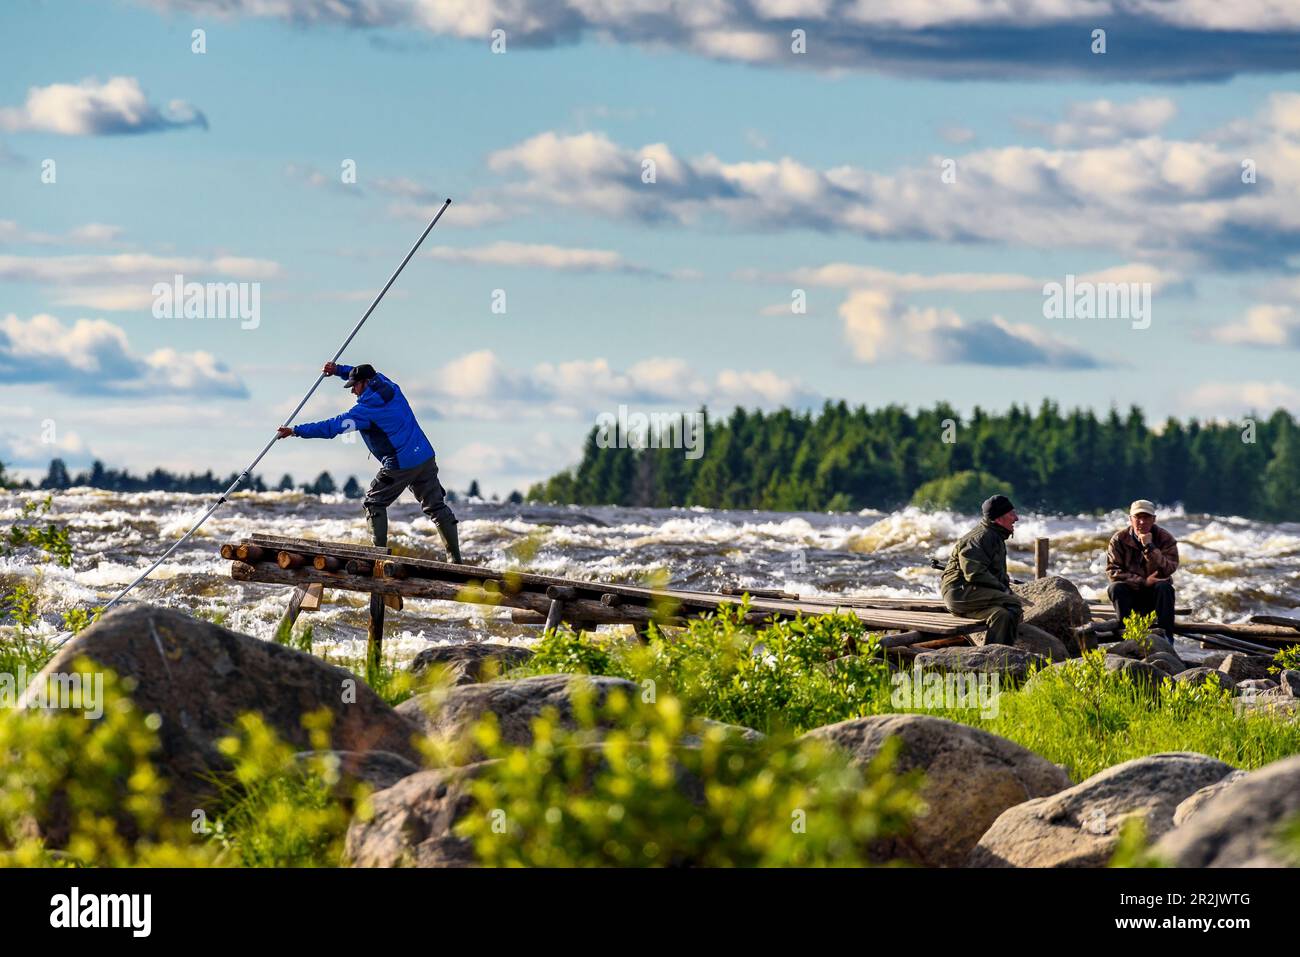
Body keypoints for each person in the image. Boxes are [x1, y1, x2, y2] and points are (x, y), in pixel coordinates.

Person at [277, 361, 462, 562]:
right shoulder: (390, 386)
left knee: (373, 503)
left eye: (354, 386)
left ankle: (378, 558)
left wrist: (296, 431)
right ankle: (455, 560)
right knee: (436, 507)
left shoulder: (364, 412)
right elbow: (359, 372)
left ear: (365, 382)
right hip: (425, 457)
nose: (353, 391)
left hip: (400, 465)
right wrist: (338, 370)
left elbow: (331, 427)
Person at [940, 494, 1025, 645]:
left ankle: (997, 652)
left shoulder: (995, 536)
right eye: (1011, 514)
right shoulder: (980, 538)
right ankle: (998, 653)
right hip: (960, 593)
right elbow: (975, 574)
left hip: (972, 593)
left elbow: (995, 573)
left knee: (1002, 614)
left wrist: (1005, 586)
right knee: (1013, 603)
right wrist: (1004, 591)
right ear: (999, 518)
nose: (1016, 518)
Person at [1106, 499, 1177, 635]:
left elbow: (1169, 568)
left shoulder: (1165, 538)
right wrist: (1143, 581)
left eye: (1147, 517)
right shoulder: (1118, 539)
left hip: (1155, 597)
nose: (1142, 522)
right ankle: (1127, 634)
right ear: (1130, 519)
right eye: (1138, 517)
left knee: (1165, 587)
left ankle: (1167, 636)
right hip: (1130, 594)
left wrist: (1149, 547)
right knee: (1115, 588)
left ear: (1154, 519)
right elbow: (1112, 572)